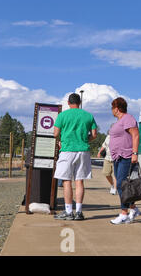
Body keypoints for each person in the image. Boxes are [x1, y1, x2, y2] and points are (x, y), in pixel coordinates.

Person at [53, 93, 97, 221]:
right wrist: (84, 141)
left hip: (67, 150)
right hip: (83, 151)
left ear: (68, 102)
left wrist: (61, 141)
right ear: (80, 102)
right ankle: (78, 212)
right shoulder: (88, 115)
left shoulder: (62, 115)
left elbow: (55, 133)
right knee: (79, 181)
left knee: (67, 181)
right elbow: (94, 134)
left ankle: (68, 211)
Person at [109, 97, 141, 225]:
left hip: (126, 156)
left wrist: (134, 153)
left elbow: (135, 135)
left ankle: (124, 213)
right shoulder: (120, 121)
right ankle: (134, 208)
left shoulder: (128, 118)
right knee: (122, 185)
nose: (111, 110)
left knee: (122, 185)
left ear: (116, 108)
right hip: (118, 157)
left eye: (112, 108)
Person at [97, 130, 117, 195]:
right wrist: (99, 152)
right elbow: (104, 145)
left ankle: (115, 189)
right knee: (106, 174)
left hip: (116, 159)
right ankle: (112, 184)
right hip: (107, 158)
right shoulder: (108, 137)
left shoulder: (119, 137)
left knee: (115, 175)